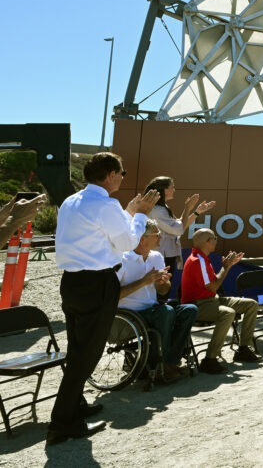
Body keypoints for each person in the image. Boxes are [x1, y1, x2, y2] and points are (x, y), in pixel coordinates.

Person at [47, 152, 159, 445]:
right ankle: (62, 422)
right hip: (97, 282)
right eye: (121, 173)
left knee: (78, 347)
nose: (122, 177)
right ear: (111, 175)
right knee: (88, 352)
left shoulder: (72, 201)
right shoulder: (107, 205)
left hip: (72, 281)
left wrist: (129, 212)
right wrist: (140, 215)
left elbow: (105, 232)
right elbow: (127, 242)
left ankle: (75, 405)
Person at [116, 220, 199, 383]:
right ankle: (158, 366)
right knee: (165, 312)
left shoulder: (156, 256)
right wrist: (143, 281)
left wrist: (163, 283)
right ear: (142, 239)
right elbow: (112, 295)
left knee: (190, 309)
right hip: (130, 314)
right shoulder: (122, 259)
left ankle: (169, 363)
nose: (161, 237)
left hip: (153, 310)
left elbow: (163, 291)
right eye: (157, 234)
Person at [180, 228, 261, 373]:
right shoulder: (197, 261)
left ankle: (243, 348)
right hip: (198, 305)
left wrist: (227, 267)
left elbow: (213, 286)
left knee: (251, 304)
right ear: (209, 241)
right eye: (215, 238)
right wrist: (226, 267)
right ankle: (209, 359)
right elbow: (213, 286)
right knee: (227, 313)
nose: (216, 241)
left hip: (212, 300)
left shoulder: (202, 258)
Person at [145, 176, 215, 270]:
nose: (174, 190)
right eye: (172, 187)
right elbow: (179, 229)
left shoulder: (162, 208)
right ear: (164, 190)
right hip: (161, 255)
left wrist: (197, 212)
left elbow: (180, 226)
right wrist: (187, 208)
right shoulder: (157, 210)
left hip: (166, 254)